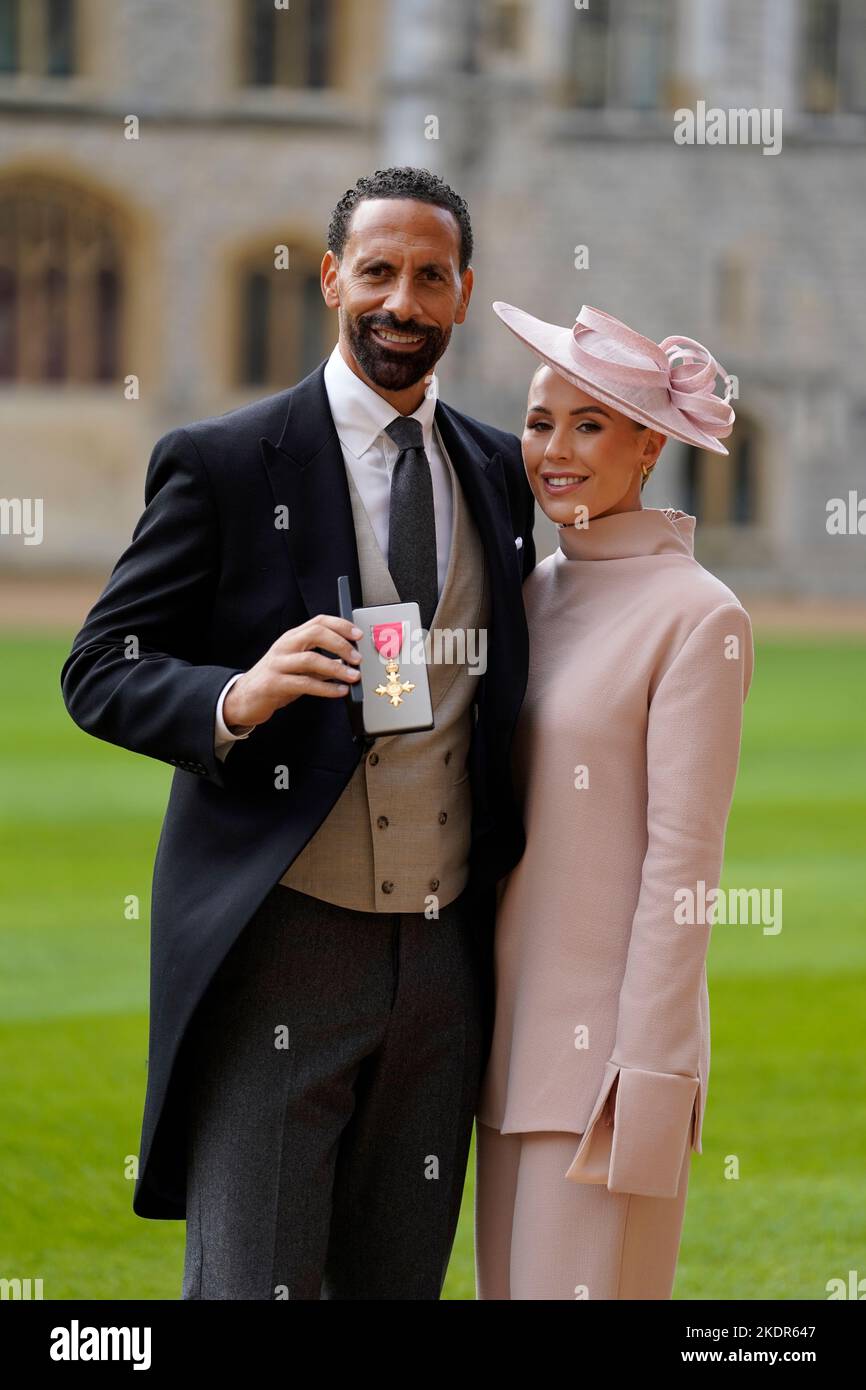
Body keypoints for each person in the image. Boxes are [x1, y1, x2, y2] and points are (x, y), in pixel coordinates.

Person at [60, 167, 536, 1300]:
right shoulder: (224, 463)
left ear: (462, 293)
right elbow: (98, 669)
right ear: (332, 278)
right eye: (377, 271)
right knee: (251, 1282)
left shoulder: (499, 475)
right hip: (283, 942)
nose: (401, 302)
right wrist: (238, 694)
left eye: (429, 277)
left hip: (444, 962)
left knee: (395, 1282)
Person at [474, 302, 754, 1300]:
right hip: (495, 1049)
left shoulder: (698, 616)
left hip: (602, 1068)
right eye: (538, 420)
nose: (552, 449)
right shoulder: (526, 595)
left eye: (587, 424)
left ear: (647, 446)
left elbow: (683, 869)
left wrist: (646, 1075)